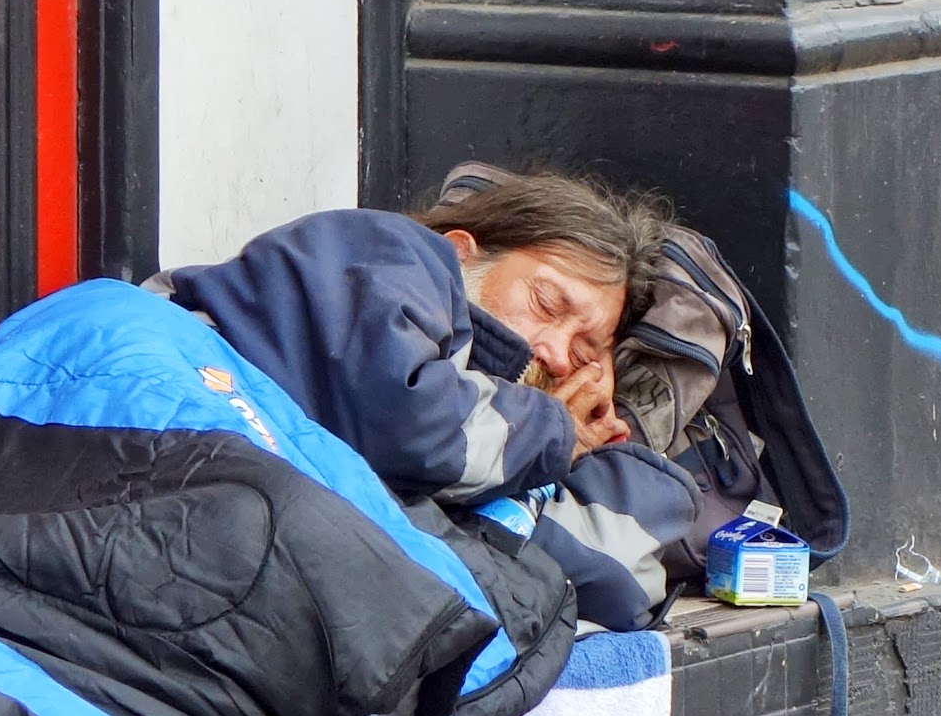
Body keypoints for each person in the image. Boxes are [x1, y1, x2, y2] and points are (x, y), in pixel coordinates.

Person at [146, 164, 702, 630]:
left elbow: (616, 582)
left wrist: (585, 449)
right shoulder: (393, 254)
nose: (557, 353)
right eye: (547, 303)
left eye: (585, 351)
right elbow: (407, 421)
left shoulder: (492, 444)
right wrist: (554, 429)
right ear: (460, 251)